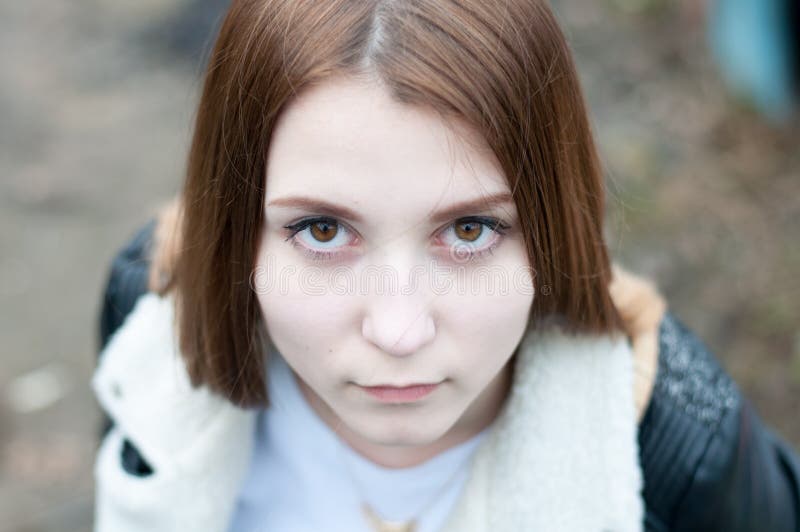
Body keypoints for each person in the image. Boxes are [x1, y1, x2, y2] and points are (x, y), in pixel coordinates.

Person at [92, 1, 800, 530]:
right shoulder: (149, 322)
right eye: (322, 228)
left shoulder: (681, 446)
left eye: (469, 230)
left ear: (555, 225)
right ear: (236, 230)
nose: (399, 331)